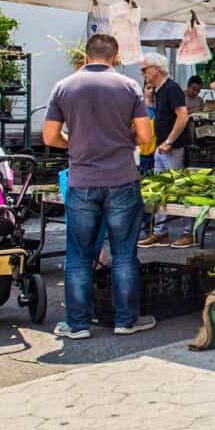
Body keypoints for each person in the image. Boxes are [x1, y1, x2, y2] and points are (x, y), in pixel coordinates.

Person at [42, 34, 156, 339]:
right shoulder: (129, 86)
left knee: (79, 255)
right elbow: (145, 136)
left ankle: (77, 324)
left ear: (85, 55)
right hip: (122, 179)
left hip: (82, 181)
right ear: (116, 56)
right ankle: (125, 321)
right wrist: (120, 141)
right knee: (123, 253)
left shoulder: (64, 87)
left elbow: (49, 137)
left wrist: (75, 145)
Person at [137, 53, 194, 248]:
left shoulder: (172, 88)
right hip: (161, 146)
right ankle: (160, 231)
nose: (143, 72)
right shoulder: (159, 90)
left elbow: (182, 117)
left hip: (172, 147)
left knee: (178, 187)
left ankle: (188, 231)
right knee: (161, 189)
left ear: (157, 68)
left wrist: (170, 141)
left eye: (145, 69)